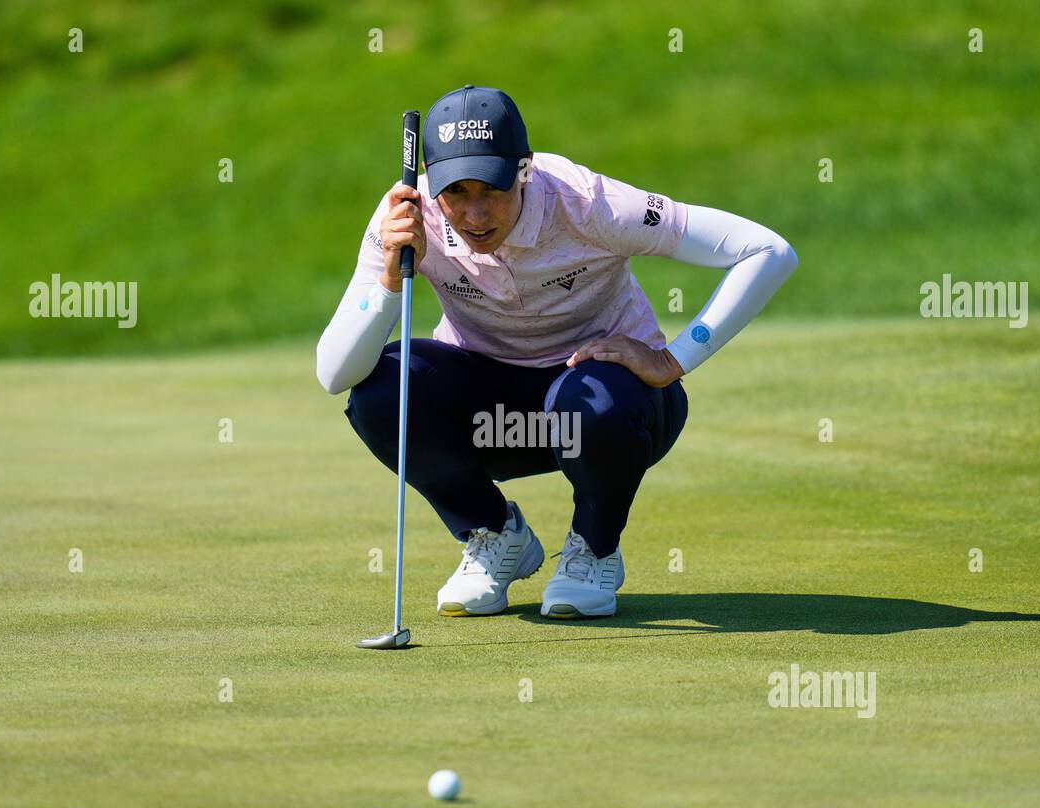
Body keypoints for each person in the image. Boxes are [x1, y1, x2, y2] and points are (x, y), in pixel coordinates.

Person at [317, 85, 797, 619]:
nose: (475, 214)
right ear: (432, 182)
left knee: (594, 404)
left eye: (492, 189)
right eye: (456, 193)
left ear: (523, 170)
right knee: (382, 390)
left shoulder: (589, 203)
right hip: (492, 423)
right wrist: (390, 279)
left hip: (610, 411)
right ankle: (497, 536)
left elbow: (767, 250)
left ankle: (593, 549)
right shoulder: (406, 216)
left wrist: (675, 359)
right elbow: (336, 373)